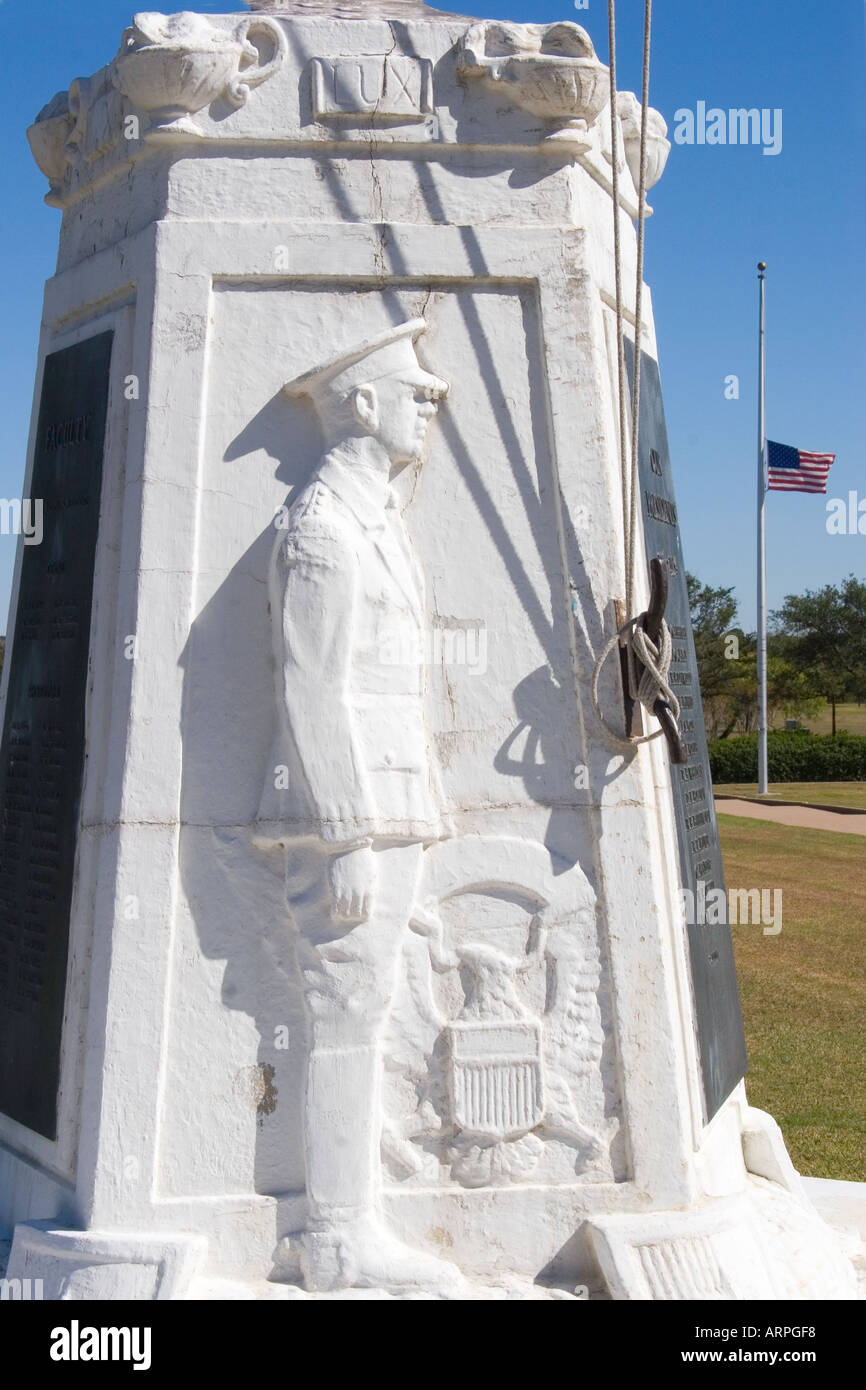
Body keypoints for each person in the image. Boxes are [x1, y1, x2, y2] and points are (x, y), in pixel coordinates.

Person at [256, 318, 462, 1294]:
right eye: (413, 386)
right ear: (363, 404)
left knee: (365, 1008)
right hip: (348, 817)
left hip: (389, 805)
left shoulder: (372, 517)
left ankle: (350, 1207)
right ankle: (336, 1237)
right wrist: (342, 834)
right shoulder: (322, 528)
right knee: (340, 1012)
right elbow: (308, 686)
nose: (434, 396)